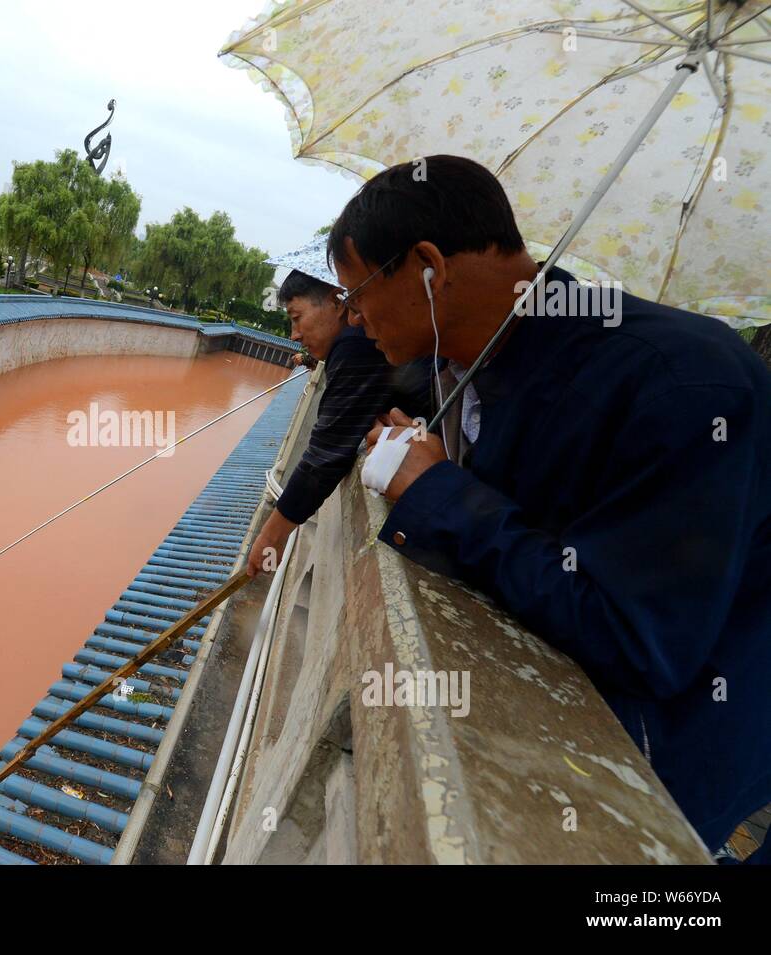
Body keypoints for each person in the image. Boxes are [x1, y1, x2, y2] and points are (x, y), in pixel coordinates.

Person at [332, 154, 771, 861]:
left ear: (426, 266)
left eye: (356, 293)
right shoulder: (470, 367)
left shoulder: (683, 386)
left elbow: (634, 635)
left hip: (668, 751)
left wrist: (438, 492)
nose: (352, 317)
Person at [247, 238, 431, 577]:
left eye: (297, 317)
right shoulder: (354, 342)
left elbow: (326, 455)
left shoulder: (354, 343)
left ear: (337, 302)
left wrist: (270, 536)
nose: (294, 334)